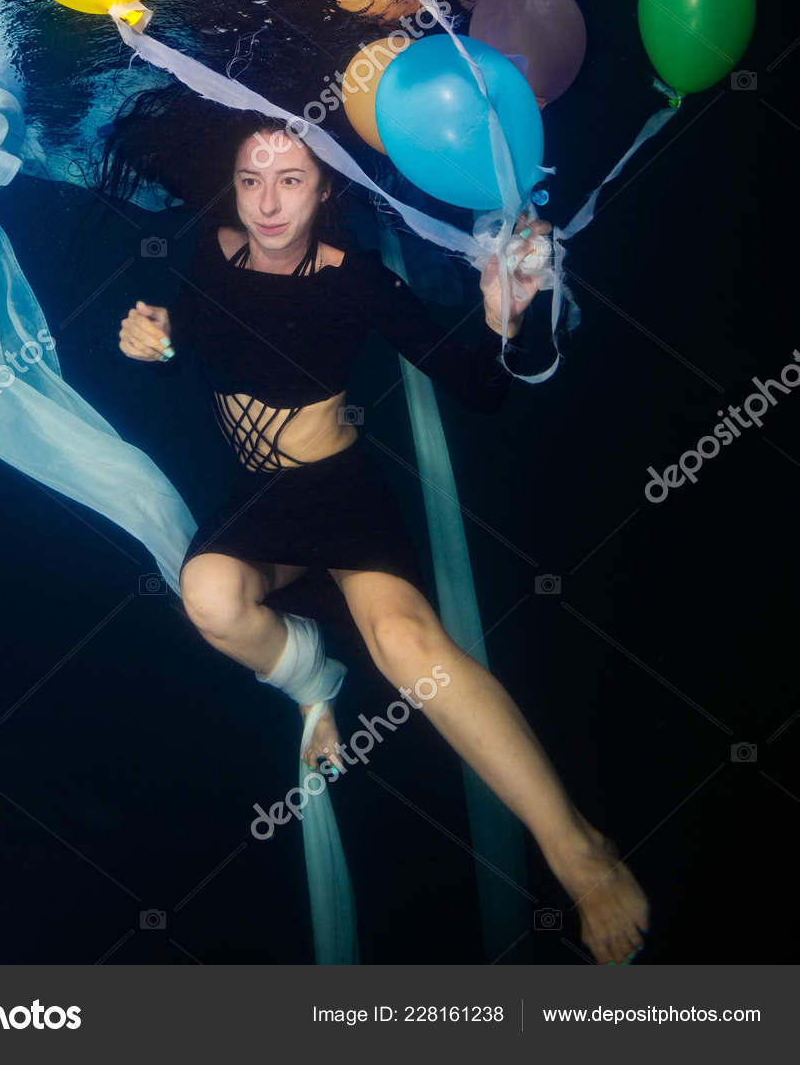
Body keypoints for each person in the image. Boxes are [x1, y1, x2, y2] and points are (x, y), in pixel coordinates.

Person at [109, 105, 649, 966]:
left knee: (404, 641)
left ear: (325, 186)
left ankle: (575, 851)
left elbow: (480, 390)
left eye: (290, 181)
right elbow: (195, 334)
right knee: (207, 597)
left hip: (340, 496)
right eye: (252, 181)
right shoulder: (206, 251)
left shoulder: (356, 278)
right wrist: (154, 339)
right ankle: (313, 684)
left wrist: (501, 316)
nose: (268, 202)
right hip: (260, 501)